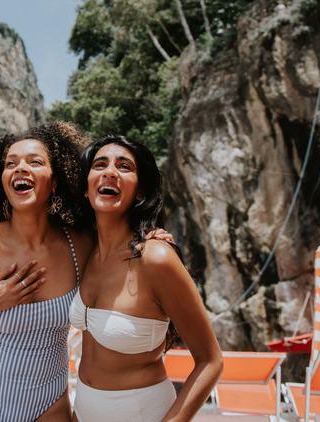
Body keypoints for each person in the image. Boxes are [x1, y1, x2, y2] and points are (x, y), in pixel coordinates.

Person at [0, 121, 95, 422]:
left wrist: (151, 234)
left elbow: (124, 245)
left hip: (49, 400)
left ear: (56, 180)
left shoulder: (82, 245)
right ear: (2, 180)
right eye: (11, 164)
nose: (20, 168)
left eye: (35, 162)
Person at [70, 135, 223, 422]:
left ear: (140, 192)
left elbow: (211, 361)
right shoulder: (84, 250)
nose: (110, 172)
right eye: (99, 164)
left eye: (124, 166)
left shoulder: (155, 258)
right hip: (83, 410)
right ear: (86, 189)